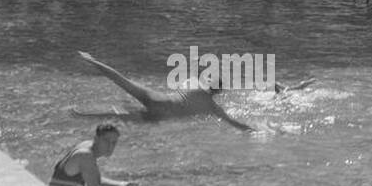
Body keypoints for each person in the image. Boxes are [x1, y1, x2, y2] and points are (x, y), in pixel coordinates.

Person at [75, 51, 255, 131]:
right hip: (160, 115)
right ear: (219, 92)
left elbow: (194, 69)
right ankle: (81, 116)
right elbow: (238, 125)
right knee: (115, 117)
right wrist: (263, 131)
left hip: (156, 98)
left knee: (121, 79)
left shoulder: (194, 85)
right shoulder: (213, 108)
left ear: (208, 83)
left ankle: (90, 60)